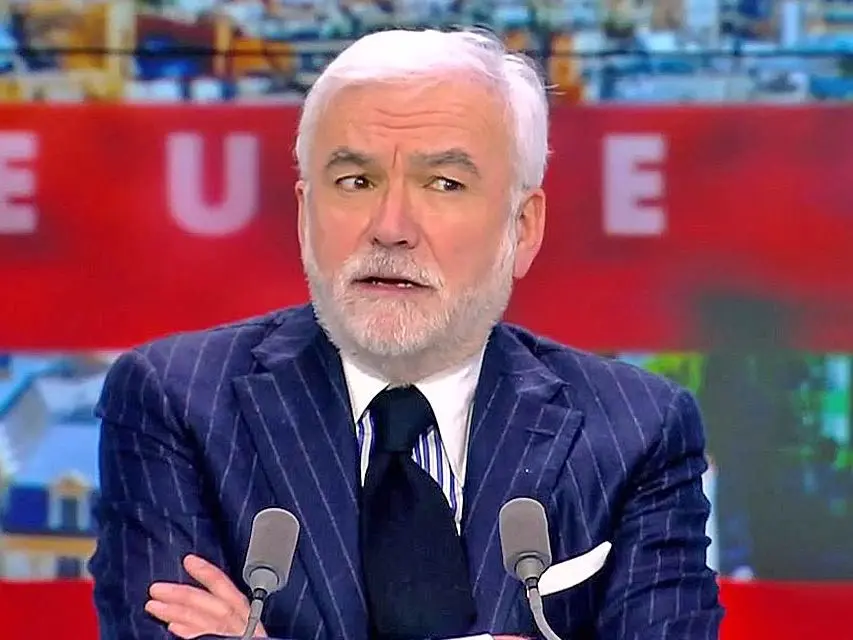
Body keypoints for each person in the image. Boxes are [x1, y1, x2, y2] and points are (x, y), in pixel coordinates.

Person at [89, 28, 723, 640]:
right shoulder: (177, 403)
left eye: (445, 184)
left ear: (523, 227)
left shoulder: (636, 432)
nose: (390, 227)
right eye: (355, 182)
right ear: (306, 215)